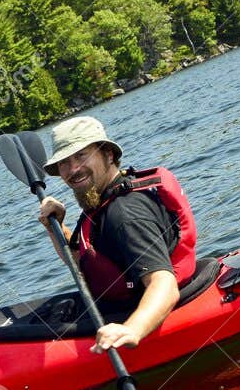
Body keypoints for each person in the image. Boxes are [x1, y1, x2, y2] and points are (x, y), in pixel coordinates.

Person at [36, 116, 197, 355]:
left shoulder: (125, 215)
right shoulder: (104, 202)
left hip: (154, 308)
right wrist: (56, 227)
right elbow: (85, 261)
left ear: (108, 154)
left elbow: (163, 283)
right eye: (64, 163)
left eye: (81, 155)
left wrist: (132, 329)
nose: (72, 170)